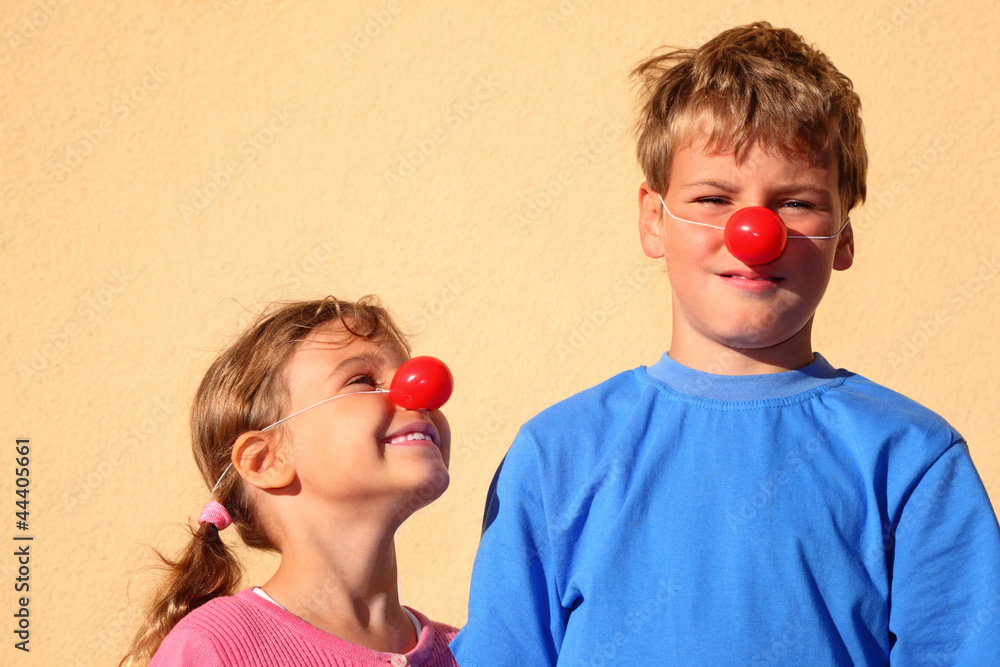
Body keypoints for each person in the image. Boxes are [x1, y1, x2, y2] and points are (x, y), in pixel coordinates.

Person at [450, 22, 1000, 666]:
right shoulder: (557, 453)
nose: (754, 232)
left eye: (795, 203)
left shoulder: (912, 457)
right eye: (714, 197)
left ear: (844, 236)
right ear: (654, 220)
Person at [120, 297, 459, 667]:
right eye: (363, 380)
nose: (421, 393)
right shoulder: (218, 646)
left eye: (407, 372)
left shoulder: (474, 651)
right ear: (266, 461)